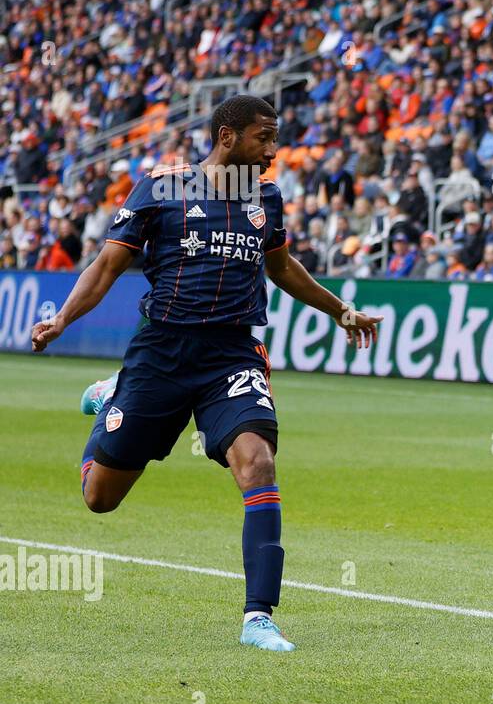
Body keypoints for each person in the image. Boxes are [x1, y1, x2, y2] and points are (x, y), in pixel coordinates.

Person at [30, 96, 382, 653]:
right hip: (161, 353)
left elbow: (282, 267)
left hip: (232, 354)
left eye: (274, 138)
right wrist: (62, 320)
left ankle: (258, 618)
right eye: (262, 138)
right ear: (226, 136)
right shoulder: (161, 187)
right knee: (100, 497)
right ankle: (112, 397)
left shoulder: (265, 198)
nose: (272, 150)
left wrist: (342, 310)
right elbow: (107, 265)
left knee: (258, 463)